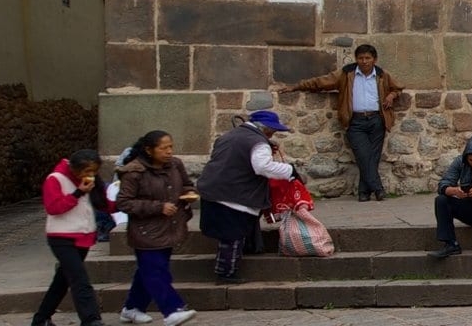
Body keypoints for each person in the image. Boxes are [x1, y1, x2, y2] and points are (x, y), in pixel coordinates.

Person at [288, 43, 406, 201]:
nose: (364, 61)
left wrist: (391, 96)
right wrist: (297, 86)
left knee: (373, 156)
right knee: (363, 155)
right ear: (356, 59)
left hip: (377, 119)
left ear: (374, 59)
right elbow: (322, 82)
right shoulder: (346, 74)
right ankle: (378, 189)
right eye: (361, 58)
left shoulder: (382, 75)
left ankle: (363, 192)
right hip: (355, 120)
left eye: (368, 58)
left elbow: (398, 88)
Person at [193, 110, 295, 283]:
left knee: (228, 235)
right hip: (235, 195)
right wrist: (290, 171)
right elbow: (262, 167)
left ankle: (239, 257)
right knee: (232, 236)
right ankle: (226, 273)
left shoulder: (229, 136)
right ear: (265, 128)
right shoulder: (258, 142)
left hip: (213, 190)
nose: (273, 134)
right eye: (272, 131)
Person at [111, 130, 198, 325]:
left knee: (148, 270)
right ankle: (172, 309)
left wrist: (189, 193)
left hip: (170, 226)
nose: (169, 152)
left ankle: (132, 308)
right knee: (156, 270)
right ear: (149, 150)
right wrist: (157, 207)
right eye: (163, 148)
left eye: (171, 147)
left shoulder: (175, 165)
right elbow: (124, 202)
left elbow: (186, 184)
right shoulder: (134, 171)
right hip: (145, 230)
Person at [31, 148, 104, 326]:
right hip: (61, 237)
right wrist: (77, 193)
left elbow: (102, 203)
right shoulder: (55, 179)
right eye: (87, 171)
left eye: (94, 171)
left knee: (62, 280)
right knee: (80, 279)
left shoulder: (92, 181)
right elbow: (53, 207)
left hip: (83, 236)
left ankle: (41, 319)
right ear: (75, 169)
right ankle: (91, 319)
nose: (91, 174)